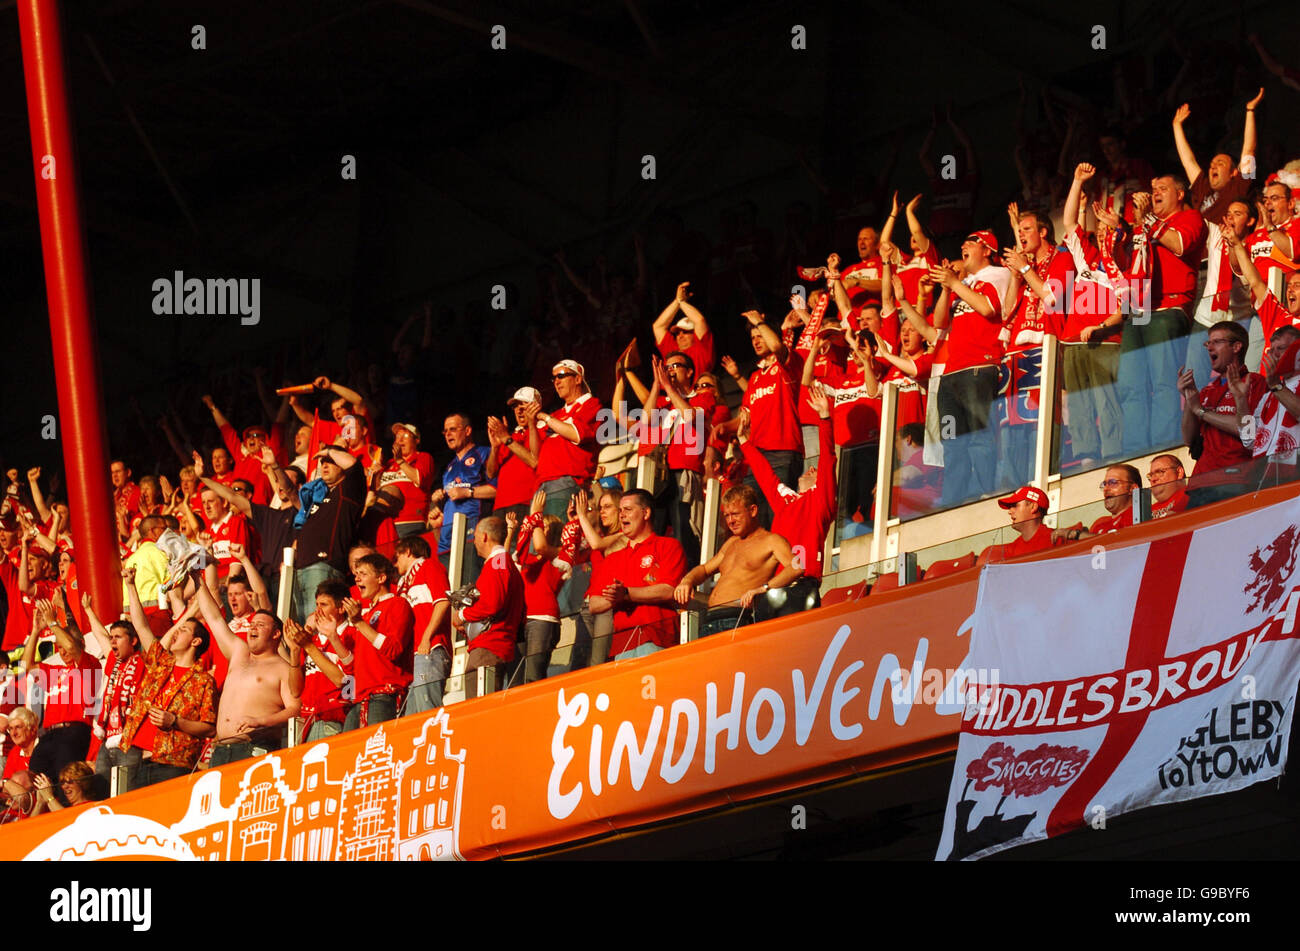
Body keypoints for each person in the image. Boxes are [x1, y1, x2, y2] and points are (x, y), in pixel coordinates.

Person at [1117, 175, 1207, 455]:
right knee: (1131, 385)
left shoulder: (1191, 217)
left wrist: (1147, 221)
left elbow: (1179, 244)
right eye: (1152, 188)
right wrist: (1119, 235)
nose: (1154, 193)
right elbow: (1126, 265)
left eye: (1162, 189)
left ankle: (1164, 447)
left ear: (1180, 194)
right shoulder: (1145, 225)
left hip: (1170, 307)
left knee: (1164, 381)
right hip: (1139, 310)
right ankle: (1134, 450)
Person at [922, 231, 1012, 503]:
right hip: (950, 375)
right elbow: (939, 321)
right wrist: (947, 287)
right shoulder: (964, 283)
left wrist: (956, 283)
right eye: (964, 242)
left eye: (970, 242)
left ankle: (988, 490)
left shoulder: (997, 274)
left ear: (987, 250)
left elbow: (988, 309)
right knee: (952, 443)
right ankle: (953, 498)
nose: (963, 245)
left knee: (978, 435)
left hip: (978, 366)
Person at [739, 385, 835, 611]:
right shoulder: (786, 502)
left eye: (815, 471)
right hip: (775, 588)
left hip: (802, 586)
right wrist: (744, 441)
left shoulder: (821, 501)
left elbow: (828, 459)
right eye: (810, 468)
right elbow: (765, 475)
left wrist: (824, 418)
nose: (811, 469)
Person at [117, 571, 216, 789]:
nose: (175, 633)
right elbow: (141, 626)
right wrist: (131, 585)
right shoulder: (160, 662)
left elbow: (209, 728)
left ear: (196, 641)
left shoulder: (204, 680)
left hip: (172, 762)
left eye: (183, 630)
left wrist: (175, 722)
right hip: (133, 755)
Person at [674, 485, 803, 637]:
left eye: (735, 514)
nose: (730, 521)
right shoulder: (731, 543)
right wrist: (687, 580)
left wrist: (764, 588)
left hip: (738, 618)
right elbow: (704, 569)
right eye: (727, 516)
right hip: (710, 619)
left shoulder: (772, 540)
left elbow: (797, 567)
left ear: (753, 510)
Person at [195, 579, 300, 766]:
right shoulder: (238, 653)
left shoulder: (283, 667)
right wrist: (196, 578)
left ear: (276, 634)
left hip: (254, 748)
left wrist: (260, 721)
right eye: (252, 624)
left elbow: (295, 709)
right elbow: (214, 618)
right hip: (219, 749)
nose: (252, 627)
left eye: (260, 625)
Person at [587, 490, 686, 661]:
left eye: (628, 509)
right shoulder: (612, 559)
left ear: (646, 513)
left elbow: (668, 589)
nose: (622, 515)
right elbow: (594, 604)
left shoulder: (667, 546)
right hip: (622, 644)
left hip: (657, 638)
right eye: (620, 511)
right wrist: (616, 596)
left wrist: (626, 594)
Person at [1178, 321, 1267, 508]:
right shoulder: (1207, 389)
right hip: (1201, 481)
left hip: (1236, 479)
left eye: (1217, 342)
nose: (1210, 347)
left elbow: (1249, 433)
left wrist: (1202, 412)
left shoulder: (1255, 382)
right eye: (1208, 343)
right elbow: (1189, 439)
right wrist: (1189, 398)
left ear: (1236, 347)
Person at [21, 596, 99, 787]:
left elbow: (73, 647)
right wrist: (36, 630)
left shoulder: (89, 665)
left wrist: (53, 622)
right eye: (59, 648)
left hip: (73, 732)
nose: (62, 651)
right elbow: (25, 665)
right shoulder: (53, 671)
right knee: (34, 782)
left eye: (64, 645)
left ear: (81, 642)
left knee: (66, 784)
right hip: (48, 735)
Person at [290, 443, 364, 623]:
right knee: (305, 627)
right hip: (301, 568)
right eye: (322, 462)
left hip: (323, 565)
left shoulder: (349, 490)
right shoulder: (320, 497)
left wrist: (329, 450)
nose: (324, 464)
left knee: (319, 625)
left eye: (330, 461)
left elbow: (354, 465)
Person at [339, 552, 414, 730]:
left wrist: (359, 623)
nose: (357, 579)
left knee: (379, 750)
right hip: (360, 697)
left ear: (381, 578)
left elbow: (393, 649)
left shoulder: (398, 604)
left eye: (363, 574)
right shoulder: (367, 615)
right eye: (356, 575)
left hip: (384, 694)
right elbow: (355, 665)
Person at [452, 516, 523, 699]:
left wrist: (463, 614)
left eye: (474, 536)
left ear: (484, 536)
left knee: (479, 713)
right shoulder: (502, 563)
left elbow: (492, 604)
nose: (473, 541)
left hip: (489, 648)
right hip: (493, 646)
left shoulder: (497, 563)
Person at [80, 595, 145, 786]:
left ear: (133, 641)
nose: (113, 641)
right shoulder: (113, 662)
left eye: (118, 637)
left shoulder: (143, 660)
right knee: (100, 790)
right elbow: (100, 634)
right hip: (107, 739)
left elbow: (145, 631)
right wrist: (88, 610)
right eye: (112, 638)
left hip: (130, 740)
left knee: (126, 791)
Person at [505, 492, 566, 686]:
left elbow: (540, 546)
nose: (538, 529)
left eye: (544, 526)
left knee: (533, 677)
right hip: (522, 620)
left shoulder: (560, 555)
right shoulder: (528, 560)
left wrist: (536, 515)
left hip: (542, 619)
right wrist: (510, 532)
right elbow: (503, 563)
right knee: (515, 679)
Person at [282, 579, 353, 741]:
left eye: (324, 605)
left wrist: (307, 646)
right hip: (306, 722)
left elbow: (341, 680)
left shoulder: (351, 635)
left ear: (341, 608)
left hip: (333, 721)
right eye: (316, 604)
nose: (317, 611)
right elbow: (295, 690)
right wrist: (294, 650)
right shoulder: (310, 642)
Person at [531, 360, 603, 517]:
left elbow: (577, 434)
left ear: (578, 379)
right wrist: (531, 422)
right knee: (537, 540)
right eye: (554, 378)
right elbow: (535, 455)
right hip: (540, 484)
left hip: (566, 482)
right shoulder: (556, 415)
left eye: (561, 376)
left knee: (557, 539)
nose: (556, 381)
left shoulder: (591, 404)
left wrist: (543, 416)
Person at [429, 414, 495, 579]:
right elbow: (452, 502)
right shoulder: (449, 467)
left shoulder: (484, 453)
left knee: (468, 589)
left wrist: (468, 492)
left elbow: (497, 489)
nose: (448, 434)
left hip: (471, 535)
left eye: (452, 429)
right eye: (445, 431)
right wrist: (439, 517)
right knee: (450, 592)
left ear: (467, 431)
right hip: (446, 541)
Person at [393, 536, 452, 714]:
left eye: (397, 557)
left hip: (429, 650)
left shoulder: (429, 566)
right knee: (412, 718)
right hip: (413, 657)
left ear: (408, 552)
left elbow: (443, 602)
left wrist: (426, 638)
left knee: (428, 712)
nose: (395, 565)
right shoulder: (403, 583)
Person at [486, 387, 541, 525]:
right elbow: (491, 473)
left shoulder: (543, 430)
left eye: (523, 404)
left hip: (524, 503)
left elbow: (534, 461)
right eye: (515, 406)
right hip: (499, 506)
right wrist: (495, 448)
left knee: (516, 546)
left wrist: (506, 439)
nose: (518, 410)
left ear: (536, 405)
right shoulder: (510, 437)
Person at [1054, 465, 1142, 541]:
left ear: (1132, 489)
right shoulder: (1099, 523)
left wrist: (1074, 535)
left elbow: (1121, 542)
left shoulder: (1138, 516)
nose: (1106, 489)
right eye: (1105, 484)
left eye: (1113, 483)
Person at [381, 423, 434, 539]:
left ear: (417, 440)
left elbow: (419, 479)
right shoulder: (388, 463)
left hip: (410, 521)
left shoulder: (423, 457)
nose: (400, 440)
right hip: (386, 522)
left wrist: (400, 461)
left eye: (405, 436)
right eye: (397, 436)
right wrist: (375, 472)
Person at [652, 281, 714, 376]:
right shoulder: (672, 350)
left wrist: (681, 302)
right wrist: (677, 301)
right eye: (677, 333)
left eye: (685, 332)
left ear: (695, 334)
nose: (680, 336)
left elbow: (700, 321)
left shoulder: (702, 350)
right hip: (666, 390)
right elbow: (658, 327)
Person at [979, 485, 1054, 564]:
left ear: (1033, 507)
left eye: (1015, 506)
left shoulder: (1056, 539)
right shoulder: (1013, 548)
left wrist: (1068, 534)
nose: (1009, 512)